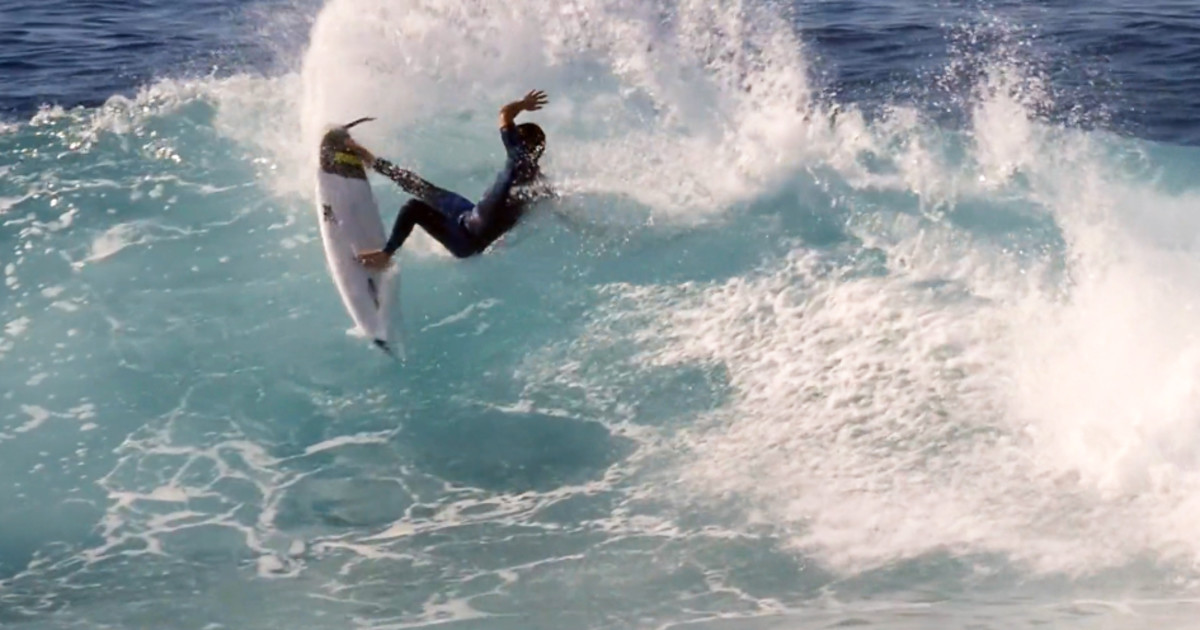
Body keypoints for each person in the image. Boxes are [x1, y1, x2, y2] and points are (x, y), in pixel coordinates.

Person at [342, 90, 553, 268]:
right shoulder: (537, 178)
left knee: (413, 208)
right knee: (421, 187)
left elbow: (505, 114)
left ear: (522, 143)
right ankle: (370, 160)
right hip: (470, 215)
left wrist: (523, 104)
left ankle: (385, 255)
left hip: (466, 239)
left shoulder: (517, 157)